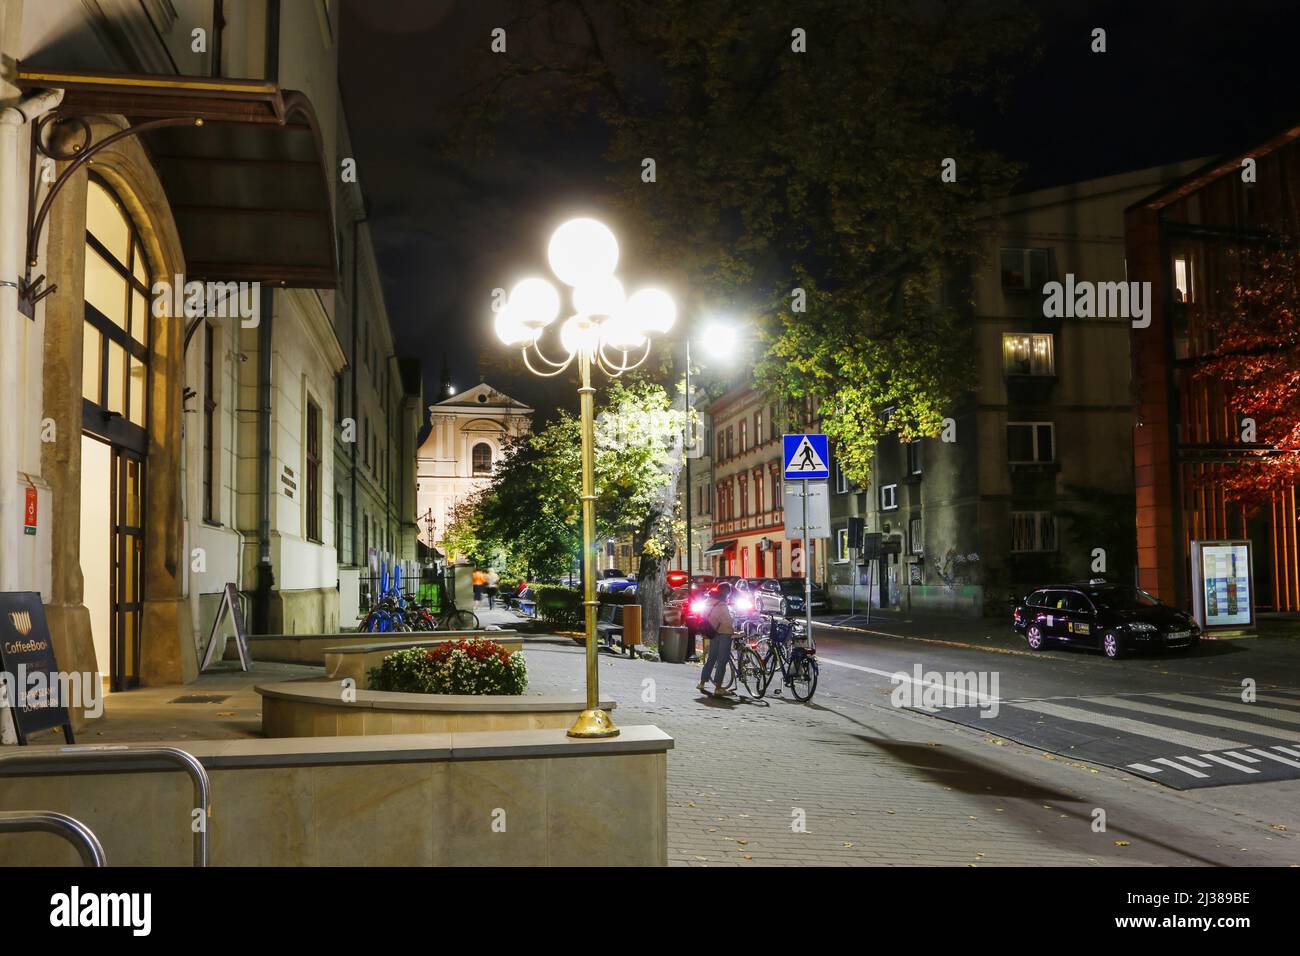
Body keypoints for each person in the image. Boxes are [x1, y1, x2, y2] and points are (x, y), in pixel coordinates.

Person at [698, 583, 735, 696]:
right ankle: (718, 688)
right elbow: (727, 622)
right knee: (722, 661)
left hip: (712, 633)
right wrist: (734, 632)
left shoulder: (709, 601)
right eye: (728, 593)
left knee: (711, 658)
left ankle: (702, 683)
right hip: (724, 634)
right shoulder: (722, 605)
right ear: (726, 593)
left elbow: (704, 614)